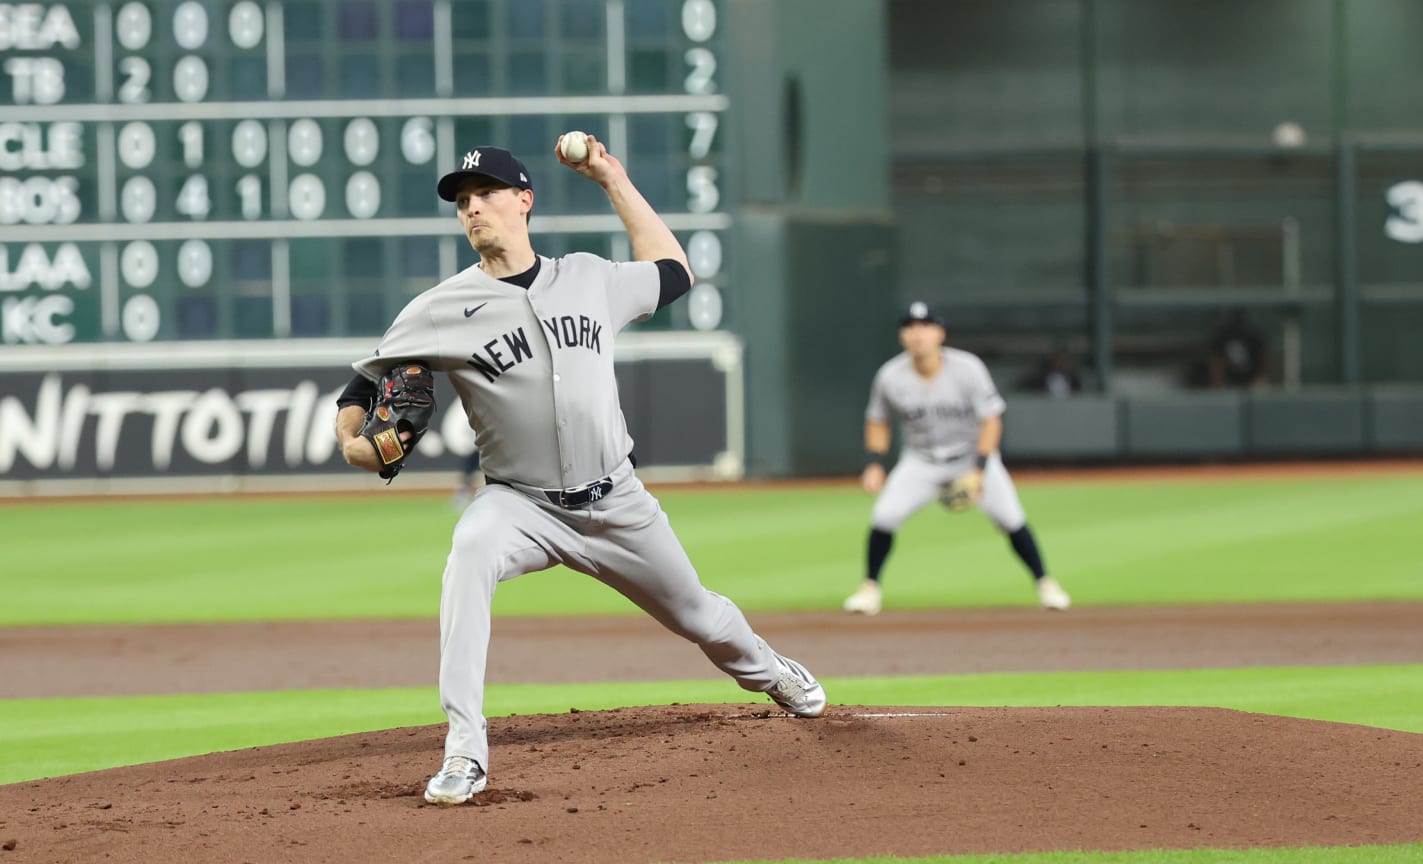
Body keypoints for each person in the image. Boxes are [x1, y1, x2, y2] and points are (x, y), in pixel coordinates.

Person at [334, 139, 826, 806]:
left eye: (485, 193)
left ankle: (772, 673)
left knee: (701, 617)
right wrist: (352, 443)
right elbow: (360, 389)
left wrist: (612, 177)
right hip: (522, 506)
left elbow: (675, 271)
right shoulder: (438, 308)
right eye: (462, 200)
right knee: (471, 549)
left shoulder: (592, 277)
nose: (472, 207)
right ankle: (464, 750)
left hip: (616, 501)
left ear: (524, 201)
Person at [842, 301, 1071, 616]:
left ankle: (1046, 583)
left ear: (940, 333)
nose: (917, 334)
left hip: (970, 457)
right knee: (885, 516)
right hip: (921, 461)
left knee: (1010, 519)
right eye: (910, 327)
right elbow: (877, 420)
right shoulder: (890, 376)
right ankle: (869, 589)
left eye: (925, 327)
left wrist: (979, 470)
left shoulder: (967, 368)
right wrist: (875, 464)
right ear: (902, 336)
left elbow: (991, 420)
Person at [1205, 308, 1269, 389]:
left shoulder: (1254, 335)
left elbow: (1264, 358)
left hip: (1252, 381)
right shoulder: (1221, 337)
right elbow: (1216, 363)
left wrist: (1261, 378)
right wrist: (1218, 383)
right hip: (1228, 383)